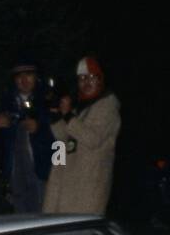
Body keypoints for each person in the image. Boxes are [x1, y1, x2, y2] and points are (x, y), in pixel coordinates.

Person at [44, 56, 122, 215]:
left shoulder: (107, 106)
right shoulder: (80, 108)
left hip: (87, 189)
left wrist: (67, 116)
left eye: (91, 77)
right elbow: (62, 141)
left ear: (100, 79)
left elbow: (92, 139)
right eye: (82, 78)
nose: (86, 83)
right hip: (65, 184)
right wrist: (55, 116)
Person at [0, 57, 55, 214]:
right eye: (19, 76)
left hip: (43, 171)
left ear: (36, 77)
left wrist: (40, 129)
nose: (24, 80)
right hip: (15, 173)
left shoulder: (49, 101)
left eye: (28, 74)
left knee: (43, 216)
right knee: (20, 215)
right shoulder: (6, 102)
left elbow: (62, 140)